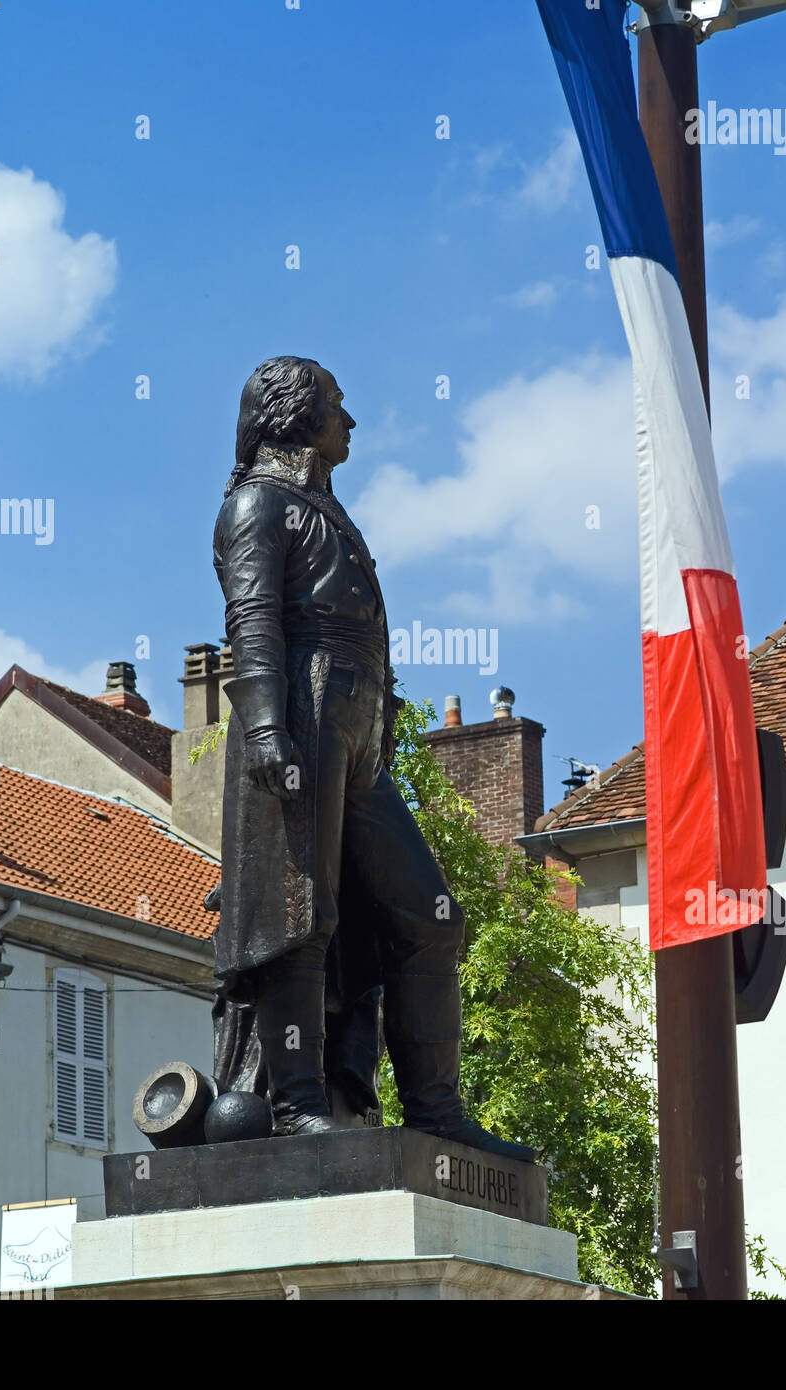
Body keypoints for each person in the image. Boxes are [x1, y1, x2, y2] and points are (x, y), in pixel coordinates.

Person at [212, 355, 533, 1162]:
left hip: (355, 726)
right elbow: (252, 620)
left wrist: (380, 726)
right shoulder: (259, 503)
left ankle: (436, 1112)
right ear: (297, 415)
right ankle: (296, 1107)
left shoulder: (322, 510)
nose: (350, 421)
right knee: (301, 913)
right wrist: (265, 727)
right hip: (303, 708)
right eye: (337, 405)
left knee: (432, 915)